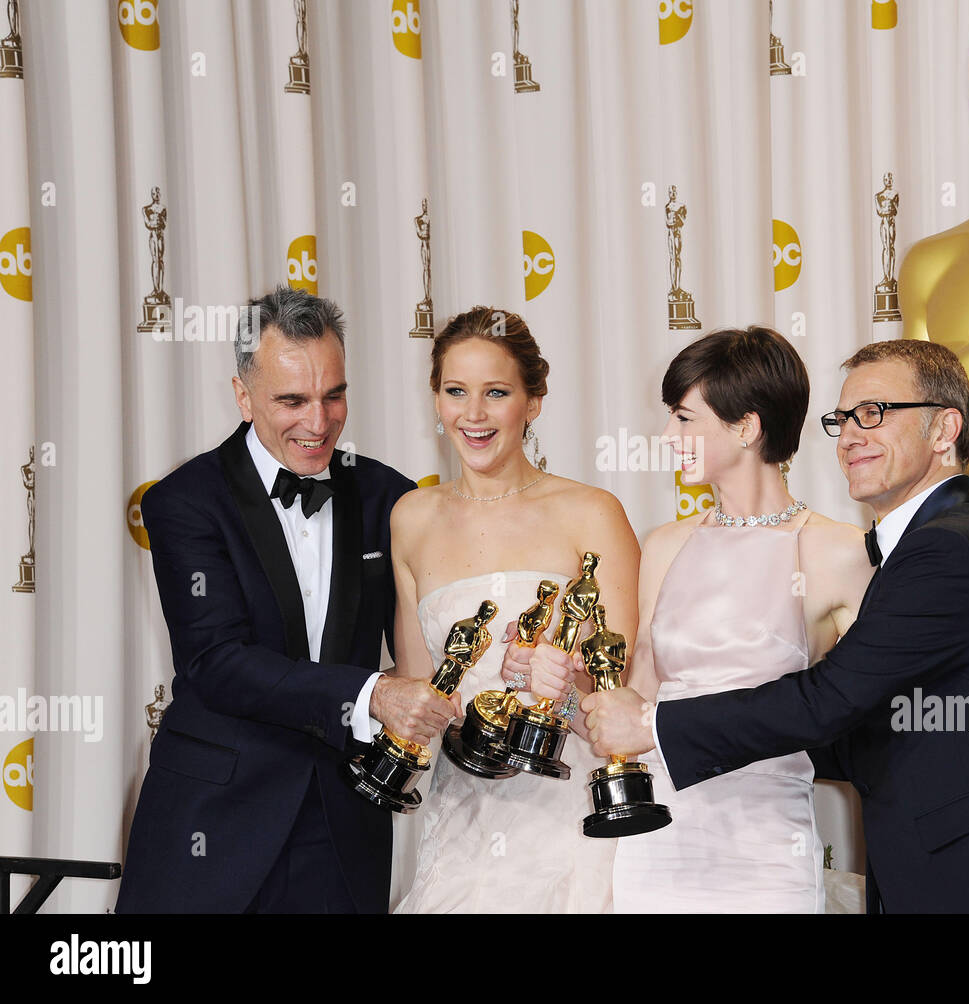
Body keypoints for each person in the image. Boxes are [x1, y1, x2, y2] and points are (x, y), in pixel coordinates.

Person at [580, 339, 969, 913]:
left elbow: (829, 699)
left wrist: (656, 726)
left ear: (944, 429)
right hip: (929, 866)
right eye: (843, 418)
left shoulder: (947, 548)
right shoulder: (918, 548)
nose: (851, 434)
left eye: (874, 413)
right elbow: (866, 721)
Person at [117, 286, 456, 914]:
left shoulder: (389, 497)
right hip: (213, 824)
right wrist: (371, 693)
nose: (319, 422)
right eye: (292, 400)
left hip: (344, 823)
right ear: (243, 397)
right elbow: (216, 661)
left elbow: (431, 643)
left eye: (334, 395)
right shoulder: (185, 502)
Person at [518, 326, 872, 912]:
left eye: (684, 419)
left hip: (766, 852)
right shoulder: (665, 546)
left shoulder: (836, 550)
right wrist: (560, 691)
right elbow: (632, 713)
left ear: (746, 427)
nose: (665, 436)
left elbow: (890, 691)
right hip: (659, 843)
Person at [391, 306, 640, 913]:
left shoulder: (591, 512)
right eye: (456, 391)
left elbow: (620, 690)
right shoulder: (411, 518)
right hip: (462, 823)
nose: (472, 415)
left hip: (568, 821)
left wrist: (555, 682)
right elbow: (421, 690)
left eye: (495, 393)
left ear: (532, 403)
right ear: (436, 398)